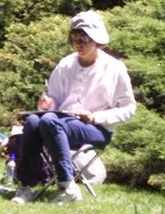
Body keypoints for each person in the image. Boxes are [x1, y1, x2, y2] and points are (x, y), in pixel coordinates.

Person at [12, 10, 136, 204]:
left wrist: (95, 117)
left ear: (96, 40)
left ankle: (67, 186)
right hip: (60, 121)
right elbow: (54, 99)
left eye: (84, 40)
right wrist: (47, 103)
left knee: (49, 121)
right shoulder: (66, 63)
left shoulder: (114, 68)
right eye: (74, 39)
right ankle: (26, 185)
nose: (79, 44)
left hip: (96, 128)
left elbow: (128, 108)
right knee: (34, 121)